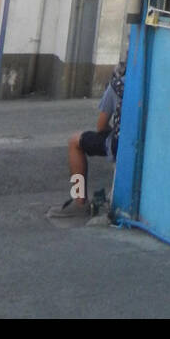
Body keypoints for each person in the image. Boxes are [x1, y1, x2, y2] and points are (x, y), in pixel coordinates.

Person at [47, 61, 125, 220]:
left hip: (120, 144)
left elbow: (101, 126)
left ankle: (79, 201)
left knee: (75, 142)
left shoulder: (116, 86)